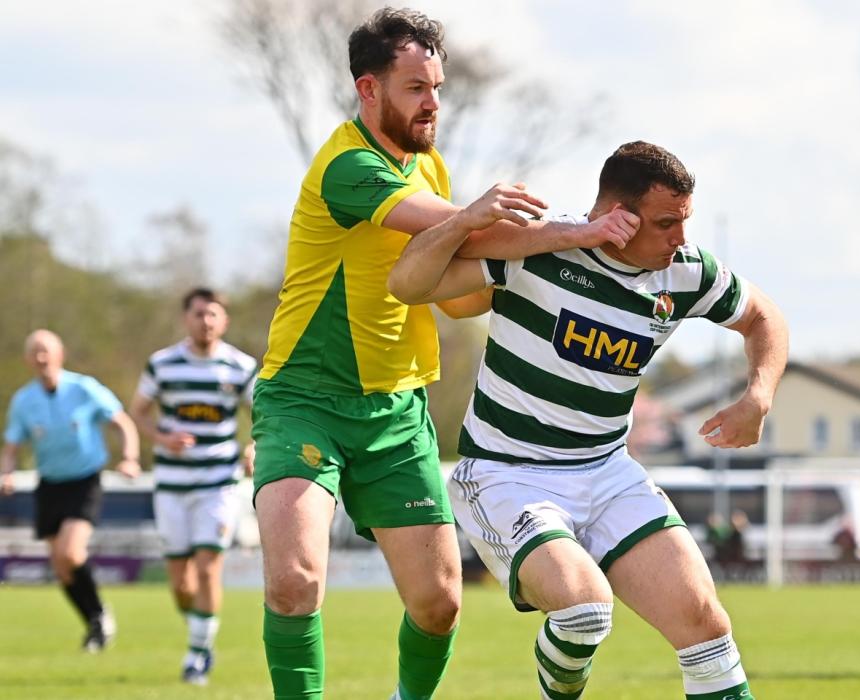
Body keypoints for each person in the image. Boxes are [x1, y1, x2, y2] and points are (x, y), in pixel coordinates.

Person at [249, 8, 637, 700]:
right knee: (295, 579)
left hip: (398, 411)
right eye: (414, 88)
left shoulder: (428, 163)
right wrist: (582, 232)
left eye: (436, 86)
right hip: (305, 401)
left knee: (439, 604)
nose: (432, 102)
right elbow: (468, 235)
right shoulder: (347, 165)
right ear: (368, 90)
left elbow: (453, 286)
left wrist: (520, 287)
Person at [389, 140, 789, 700]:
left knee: (707, 627)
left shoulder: (685, 270)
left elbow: (764, 316)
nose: (680, 239)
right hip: (509, 473)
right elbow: (407, 283)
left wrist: (759, 395)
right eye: (664, 222)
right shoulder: (540, 246)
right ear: (614, 215)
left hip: (607, 471)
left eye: (684, 221)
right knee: (584, 613)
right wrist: (466, 220)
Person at [129, 288, 258, 685]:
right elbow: (137, 412)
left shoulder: (240, 366)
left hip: (219, 482)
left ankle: (197, 656)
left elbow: (265, 415)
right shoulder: (162, 364)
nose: (206, 321)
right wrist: (162, 438)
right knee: (180, 583)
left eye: (213, 314)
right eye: (199, 314)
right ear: (186, 318)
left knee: (207, 568)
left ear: (224, 320)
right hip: (171, 483)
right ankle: (201, 628)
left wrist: (253, 446)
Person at [0, 330, 141, 651]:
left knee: (71, 552)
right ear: (27, 360)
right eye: (34, 352)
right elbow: (11, 446)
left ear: (60, 354)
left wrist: (130, 458)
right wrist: (6, 473)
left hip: (83, 481)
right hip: (49, 484)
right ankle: (95, 619)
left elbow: (122, 422)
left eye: (45, 351)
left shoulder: (84, 388)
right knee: (61, 567)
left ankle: (99, 615)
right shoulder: (24, 400)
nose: (40, 358)